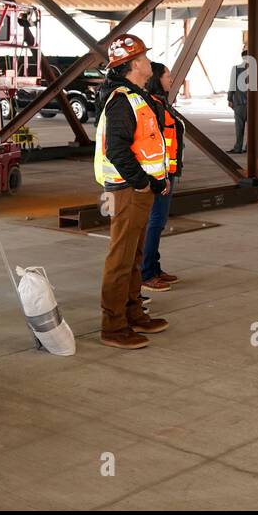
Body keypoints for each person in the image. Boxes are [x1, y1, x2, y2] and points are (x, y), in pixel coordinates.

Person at [93, 34, 171, 350]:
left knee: (134, 255)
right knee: (121, 257)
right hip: (127, 190)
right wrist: (141, 182)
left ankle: (133, 313)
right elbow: (118, 149)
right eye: (146, 58)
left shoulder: (136, 96)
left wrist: (154, 181)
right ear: (135, 64)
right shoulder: (123, 100)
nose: (150, 62)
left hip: (139, 189)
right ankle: (112, 326)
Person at [140, 63, 183, 293]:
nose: (171, 78)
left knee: (158, 221)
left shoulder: (160, 103)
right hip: (159, 173)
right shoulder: (153, 106)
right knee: (155, 222)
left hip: (167, 171)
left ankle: (154, 268)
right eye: (168, 75)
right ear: (158, 78)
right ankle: (146, 273)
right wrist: (161, 174)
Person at [227, 48, 248, 155]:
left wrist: (229, 99)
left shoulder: (236, 69)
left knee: (239, 128)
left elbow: (232, 85)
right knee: (253, 128)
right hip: (253, 105)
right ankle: (250, 147)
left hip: (239, 103)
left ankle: (238, 147)